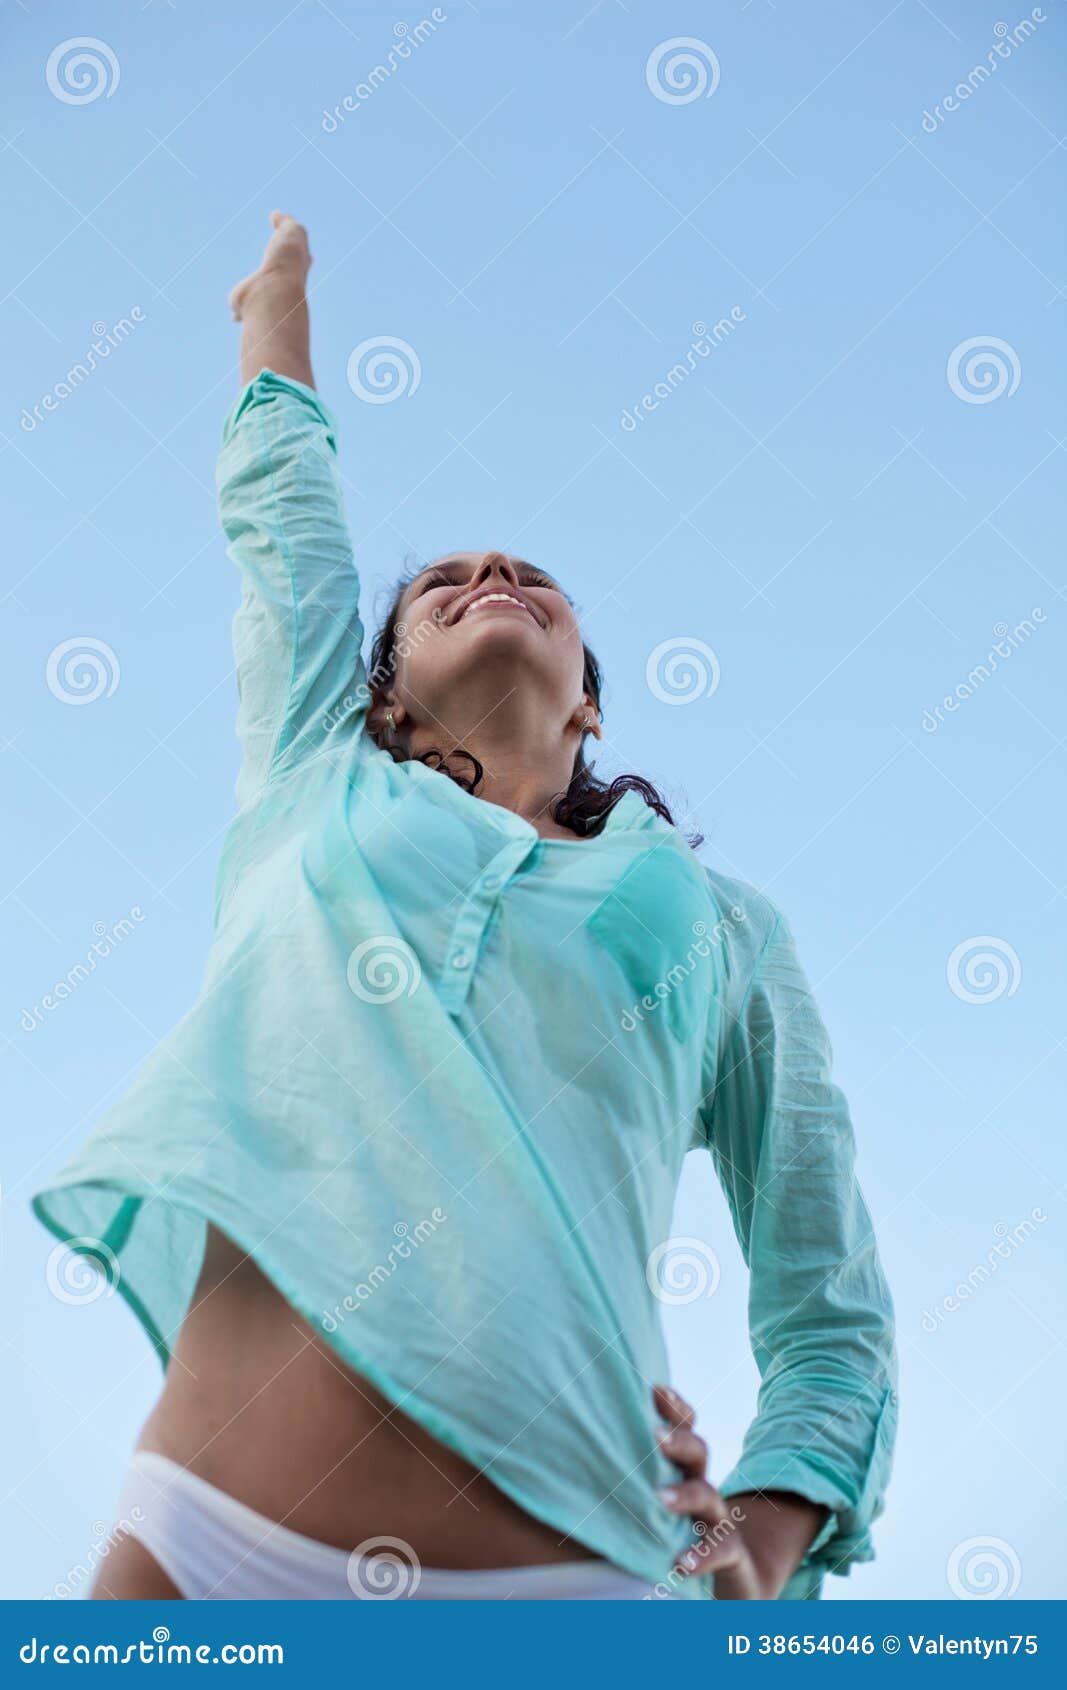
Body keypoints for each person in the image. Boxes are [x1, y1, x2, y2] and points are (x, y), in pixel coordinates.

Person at [34, 213, 896, 1601]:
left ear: (593, 700)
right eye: (442, 582)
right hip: (204, 1548)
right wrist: (277, 315)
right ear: (377, 695)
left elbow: (828, 1299)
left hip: (586, 1582)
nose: (492, 573)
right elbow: (288, 522)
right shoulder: (318, 782)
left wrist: (772, 1531)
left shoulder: (721, 928)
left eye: (531, 579)